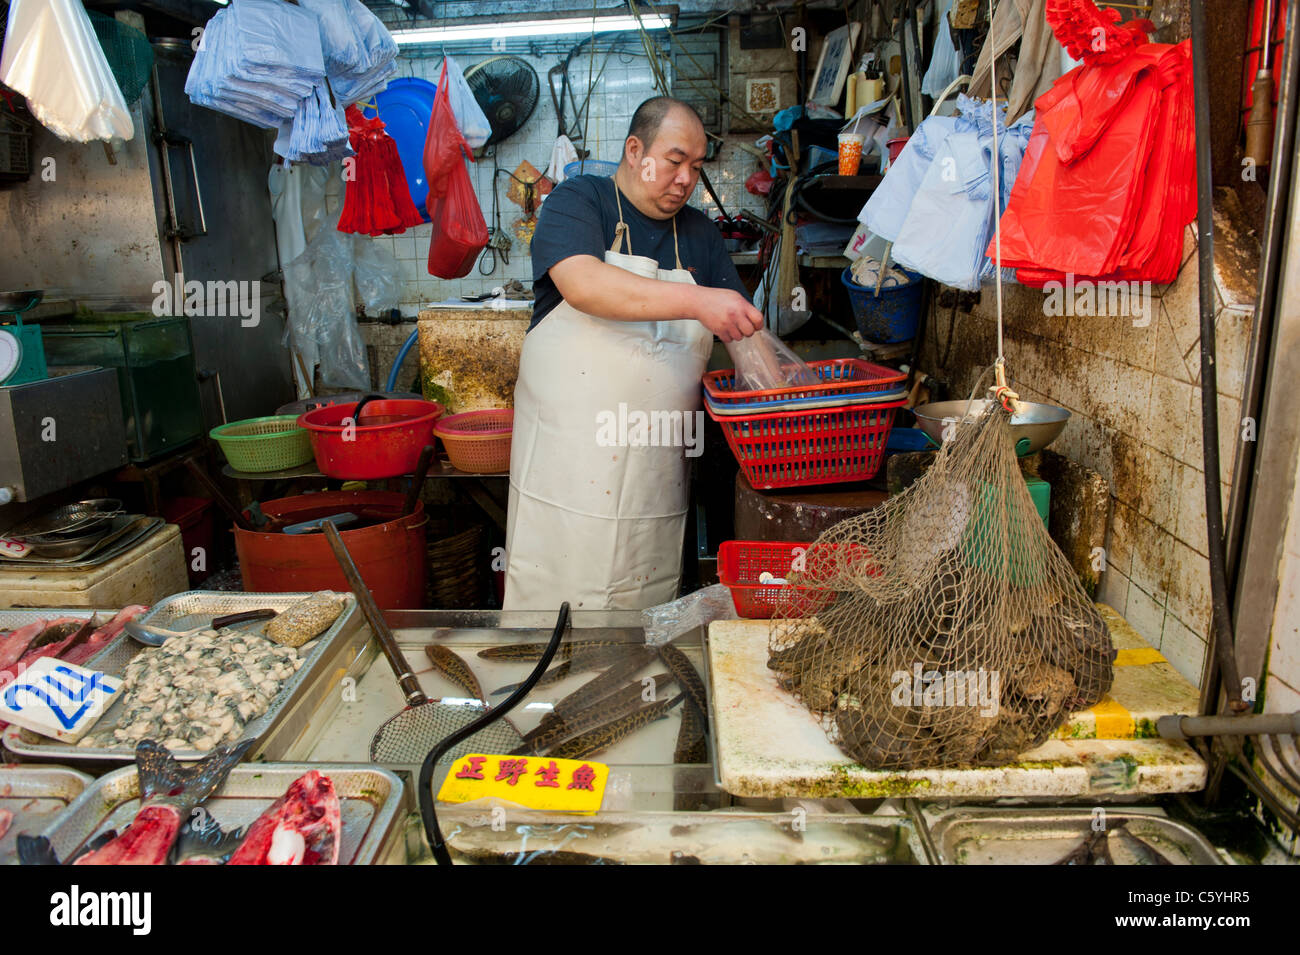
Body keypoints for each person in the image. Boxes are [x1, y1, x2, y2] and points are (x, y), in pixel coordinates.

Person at [502, 95, 763, 611]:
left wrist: (780, 397)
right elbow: (584, 284)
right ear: (634, 148)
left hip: (655, 472)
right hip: (566, 471)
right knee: (555, 611)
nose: (687, 178)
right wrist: (698, 300)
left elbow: (742, 334)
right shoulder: (580, 201)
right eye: (674, 161)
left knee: (642, 616)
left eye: (696, 166)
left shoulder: (700, 236)